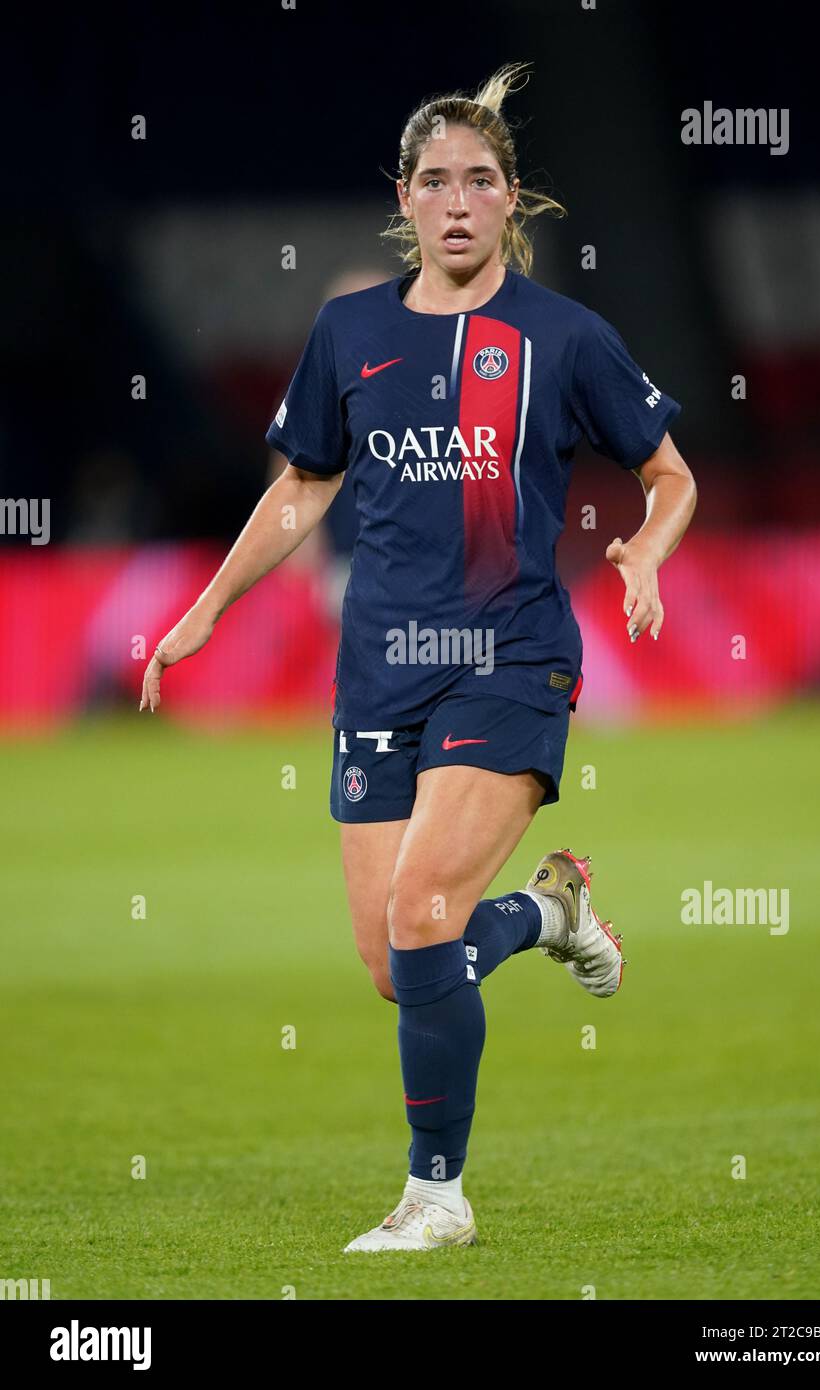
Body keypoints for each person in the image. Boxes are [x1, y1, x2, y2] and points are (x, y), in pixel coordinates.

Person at [139, 61, 697, 1252]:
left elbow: (669, 473)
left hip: (510, 659)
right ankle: (550, 915)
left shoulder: (564, 337)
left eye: (479, 180)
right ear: (404, 197)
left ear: (509, 200)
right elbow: (300, 488)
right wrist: (209, 608)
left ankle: (435, 1196)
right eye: (434, 180)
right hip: (379, 671)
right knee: (400, 963)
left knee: (426, 904)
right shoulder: (349, 332)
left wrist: (645, 550)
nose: (456, 200)